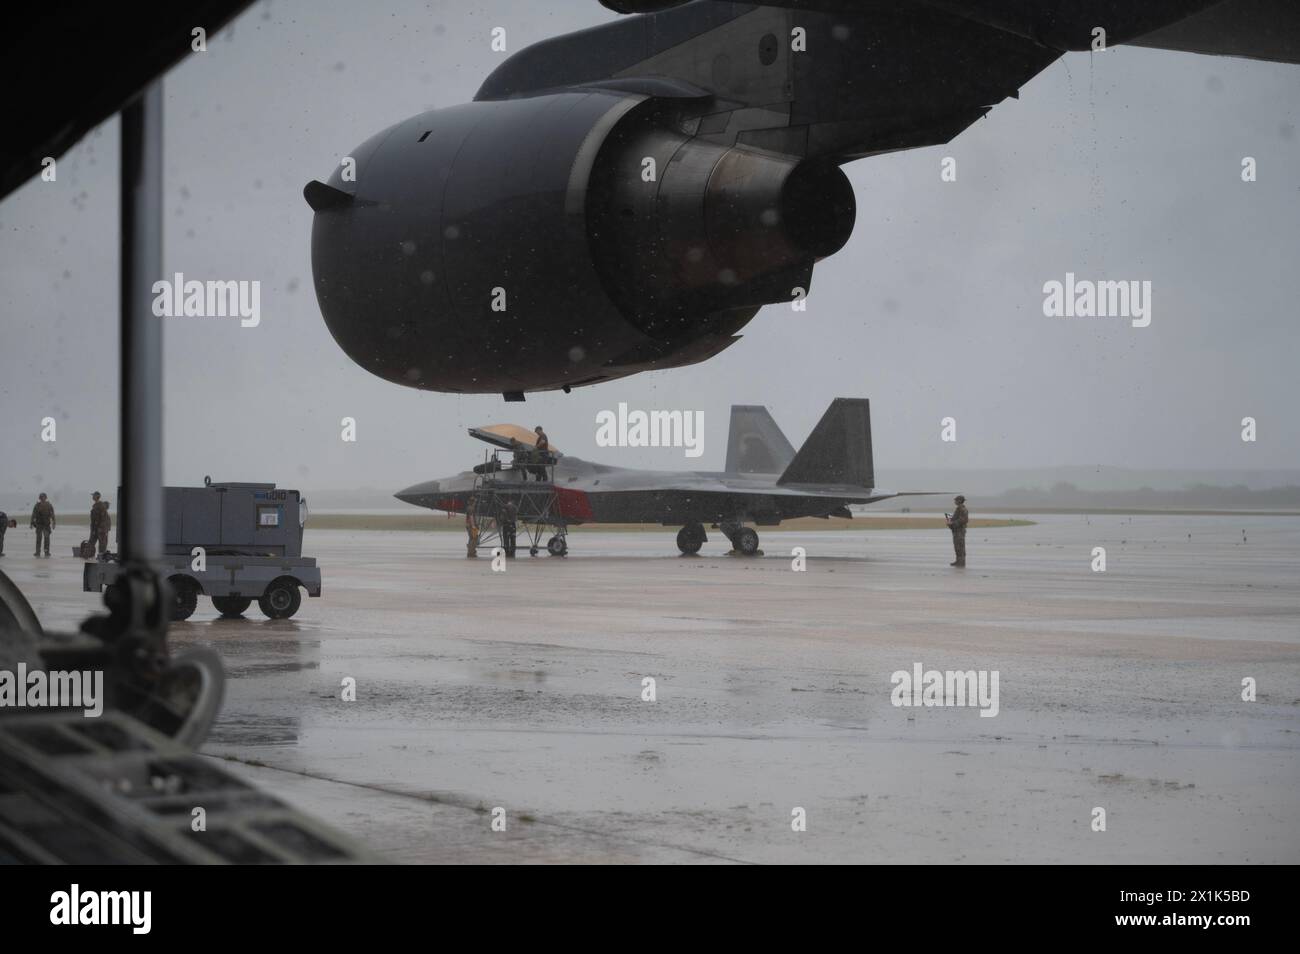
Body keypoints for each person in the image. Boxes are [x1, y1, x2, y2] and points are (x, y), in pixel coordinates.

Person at [946, 495, 968, 567]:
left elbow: (963, 520)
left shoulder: (962, 509)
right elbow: (956, 518)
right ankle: (958, 561)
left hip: (960, 531)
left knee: (960, 547)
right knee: (957, 547)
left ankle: (961, 562)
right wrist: (950, 521)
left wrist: (953, 523)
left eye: (956, 500)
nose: (955, 501)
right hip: (956, 531)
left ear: (959, 501)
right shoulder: (958, 509)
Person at [31, 492, 55, 557]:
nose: (42, 498)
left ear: (46, 498)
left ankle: (46, 552)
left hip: (46, 525)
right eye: (41, 497)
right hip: (39, 525)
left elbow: (52, 515)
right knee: (38, 539)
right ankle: (37, 552)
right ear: (40, 498)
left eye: (43, 497)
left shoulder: (49, 505)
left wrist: (53, 523)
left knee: (47, 539)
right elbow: (33, 514)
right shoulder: (37, 505)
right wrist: (31, 523)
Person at [90, 491, 111, 557]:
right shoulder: (97, 505)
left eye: (93, 495)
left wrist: (97, 529)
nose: (92, 497)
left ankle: (101, 557)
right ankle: (91, 555)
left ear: (96, 497)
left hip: (99, 529)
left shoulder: (100, 506)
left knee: (102, 544)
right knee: (93, 543)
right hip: (97, 528)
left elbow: (100, 519)